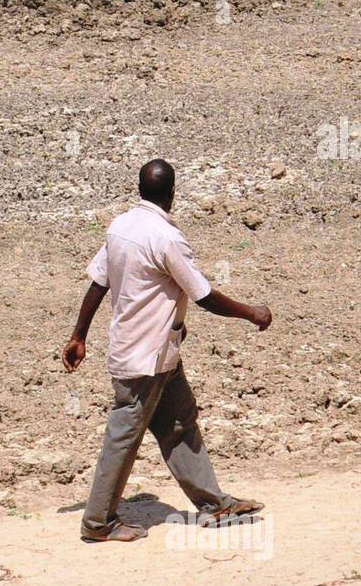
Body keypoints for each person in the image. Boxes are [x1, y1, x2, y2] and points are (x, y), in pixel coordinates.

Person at [62, 158, 272, 542]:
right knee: (123, 435)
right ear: (172, 194)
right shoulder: (166, 238)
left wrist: (79, 335)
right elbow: (204, 295)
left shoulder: (120, 226)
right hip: (146, 358)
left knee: (178, 423)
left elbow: (98, 283)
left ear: (141, 190)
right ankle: (98, 523)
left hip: (156, 352)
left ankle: (214, 504)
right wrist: (252, 313)